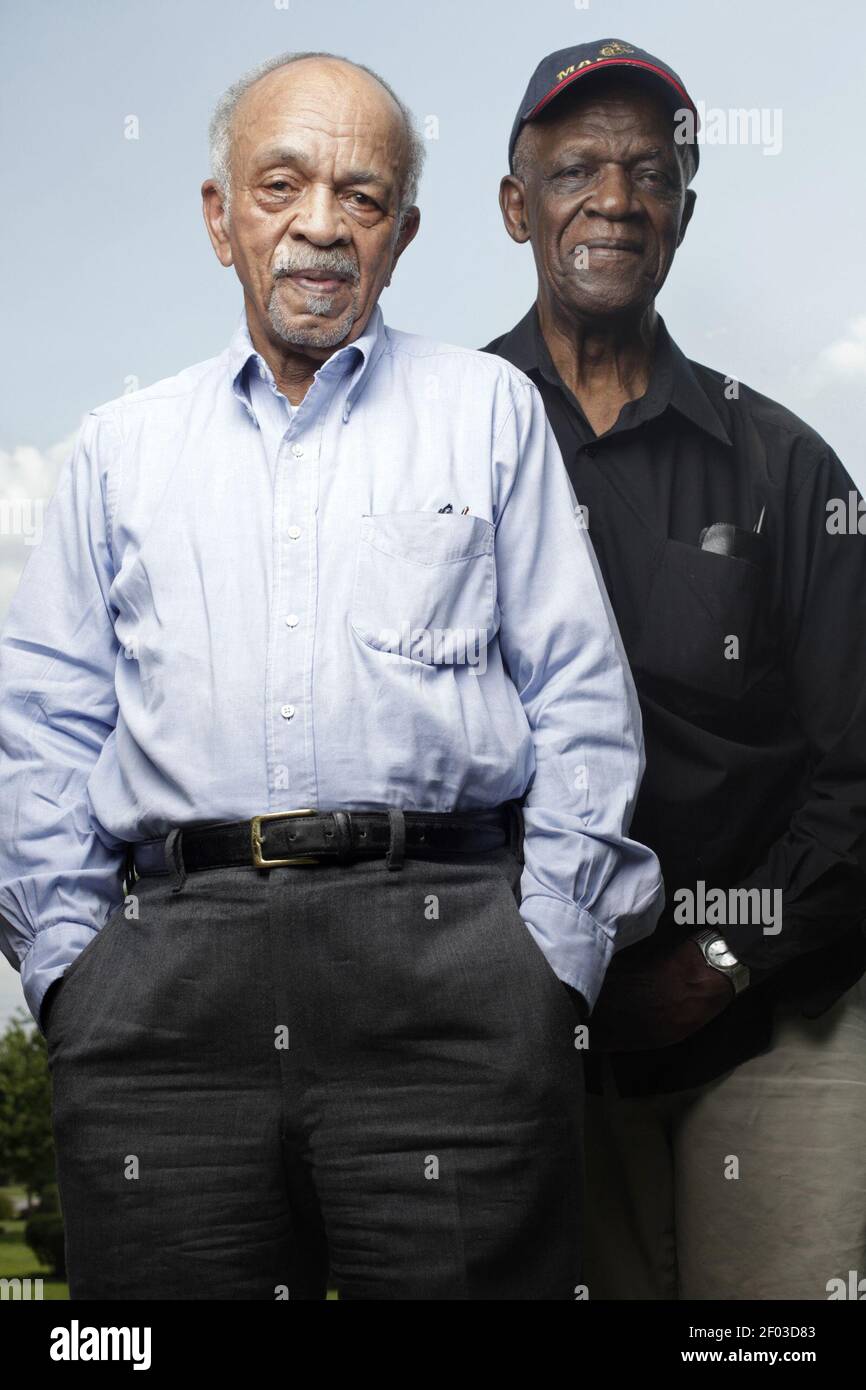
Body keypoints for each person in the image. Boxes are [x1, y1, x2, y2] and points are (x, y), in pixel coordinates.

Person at [0, 49, 663, 1300]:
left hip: (451, 979)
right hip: (160, 997)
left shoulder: (487, 412)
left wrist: (547, 966)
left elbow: (580, 699)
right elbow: (40, 725)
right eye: (279, 184)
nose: (319, 225)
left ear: (403, 234)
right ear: (219, 217)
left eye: (360, 196)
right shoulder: (119, 449)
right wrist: (70, 972)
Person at [484, 37, 866, 1300]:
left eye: (648, 172)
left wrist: (717, 957)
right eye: (574, 167)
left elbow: (856, 769)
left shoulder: (786, 465)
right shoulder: (432, 441)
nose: (613, 197)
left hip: (768, 1017)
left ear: (682, 216)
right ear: (514, 205)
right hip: (513, 1023)